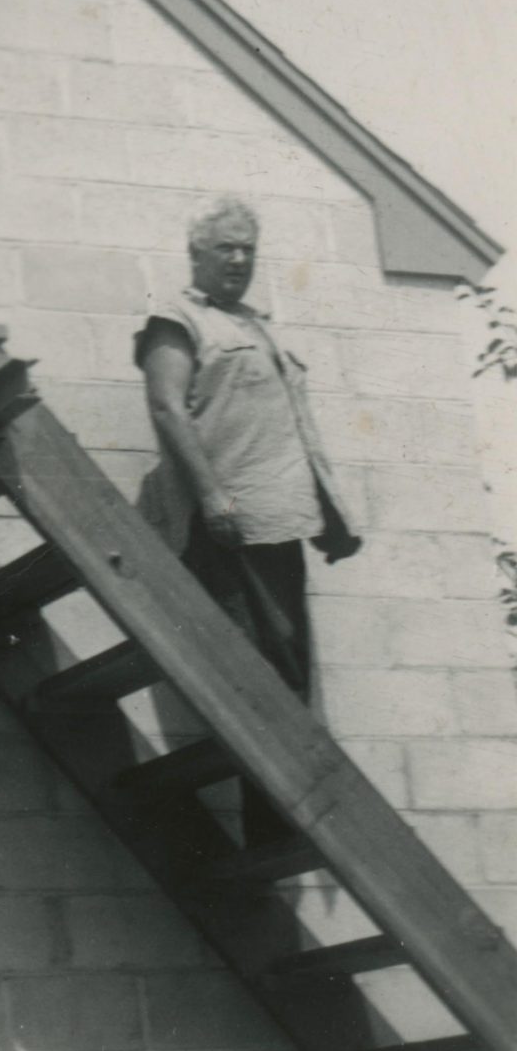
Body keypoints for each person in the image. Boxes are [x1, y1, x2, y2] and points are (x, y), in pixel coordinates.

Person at [136, 194, 361, 843]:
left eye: (248, 250)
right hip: (229, 522)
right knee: (255, 671)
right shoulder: (175, 319)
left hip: (278, 519)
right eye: (225, 248)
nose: (239, 259)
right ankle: (279, 826)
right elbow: (167, 406)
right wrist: (211, 497)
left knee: (288, 664)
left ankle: (287, 820)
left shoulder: (258, 325)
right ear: (196, 254)